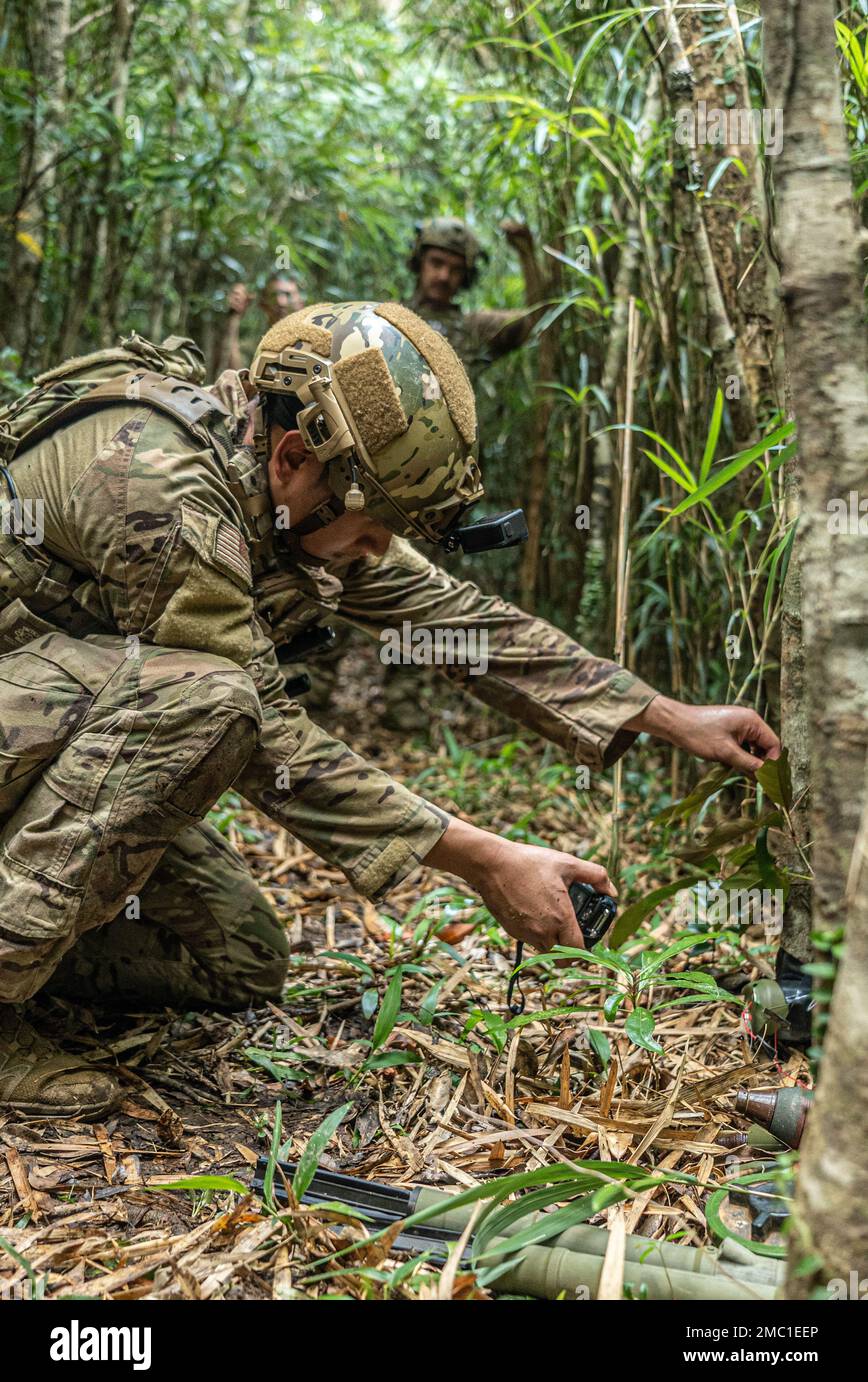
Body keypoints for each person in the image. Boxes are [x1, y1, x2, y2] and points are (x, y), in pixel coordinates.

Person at [0, 303, 780, 1118]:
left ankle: (31, 952)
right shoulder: (160, 489)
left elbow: (458, 623)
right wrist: (485, 860)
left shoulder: (287, 496)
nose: (378, 552)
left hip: (32, 750)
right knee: (213, 699)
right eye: (376, 530)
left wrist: (663, 714)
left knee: (236, 958)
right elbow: (270, 740)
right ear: (294, 457)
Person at [407, 215, 548, 382]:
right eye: (437, 263)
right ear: (420, 262)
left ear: (466, 277)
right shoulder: (387, 318)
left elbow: (541, 321)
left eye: (456, 269)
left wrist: (527, 255)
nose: (444, 276)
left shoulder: (476, 327)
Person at [213, 271, 304, 376]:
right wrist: (234, 317)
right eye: (274, 296)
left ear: (301, 302)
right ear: (263, 305)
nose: (281, 302)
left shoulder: (313, 339)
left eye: (288, 295)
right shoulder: (255, 347)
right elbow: (237, 377)